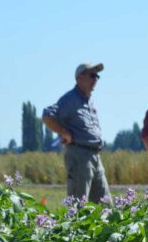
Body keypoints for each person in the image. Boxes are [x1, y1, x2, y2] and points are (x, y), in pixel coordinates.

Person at [42, 63, 111, 203]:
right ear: (80, 77)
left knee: (106, 206)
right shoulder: (70, 99)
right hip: (79, 156)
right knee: (78, 205)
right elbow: (47, 115)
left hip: (95, 156)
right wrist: (63, 132)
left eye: (97, 76)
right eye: (92, 75)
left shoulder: (89, 100)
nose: (96, 79)